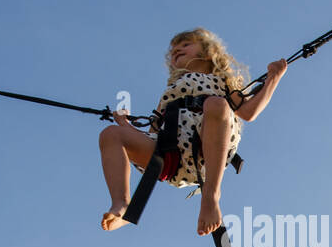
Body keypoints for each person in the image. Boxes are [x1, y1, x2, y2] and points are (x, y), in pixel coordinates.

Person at [98, 27, 286, 236]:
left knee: (217, 105)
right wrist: (124, 124)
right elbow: (152, 134)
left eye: (185, 45)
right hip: (170, 156)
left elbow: (249, 112)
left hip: (208, 151)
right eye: (173, 50)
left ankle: (211, 195)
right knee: (110, 133)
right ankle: (123, 205)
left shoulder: (223, 85)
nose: (176, 50)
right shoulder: (171, 91)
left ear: (207, 53)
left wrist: (273, 78)